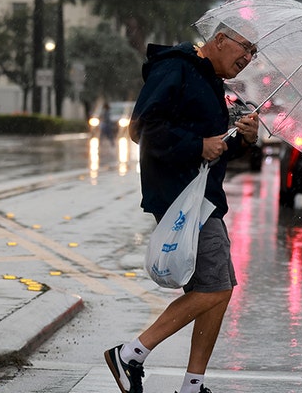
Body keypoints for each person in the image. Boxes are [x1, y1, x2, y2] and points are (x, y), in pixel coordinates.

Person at [105, 25, 260, 393]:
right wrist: (196, 145)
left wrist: (243, 139)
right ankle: (130, 354)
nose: (248, 58)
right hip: (182, 199)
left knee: (219, 290)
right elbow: (143, 128)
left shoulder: (210, 82)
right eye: (246, 47)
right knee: (214, 290)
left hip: (203, 197)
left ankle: (193, 384)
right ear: (220, 39)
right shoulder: (176, 67)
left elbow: (214, 147)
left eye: (254, 53)